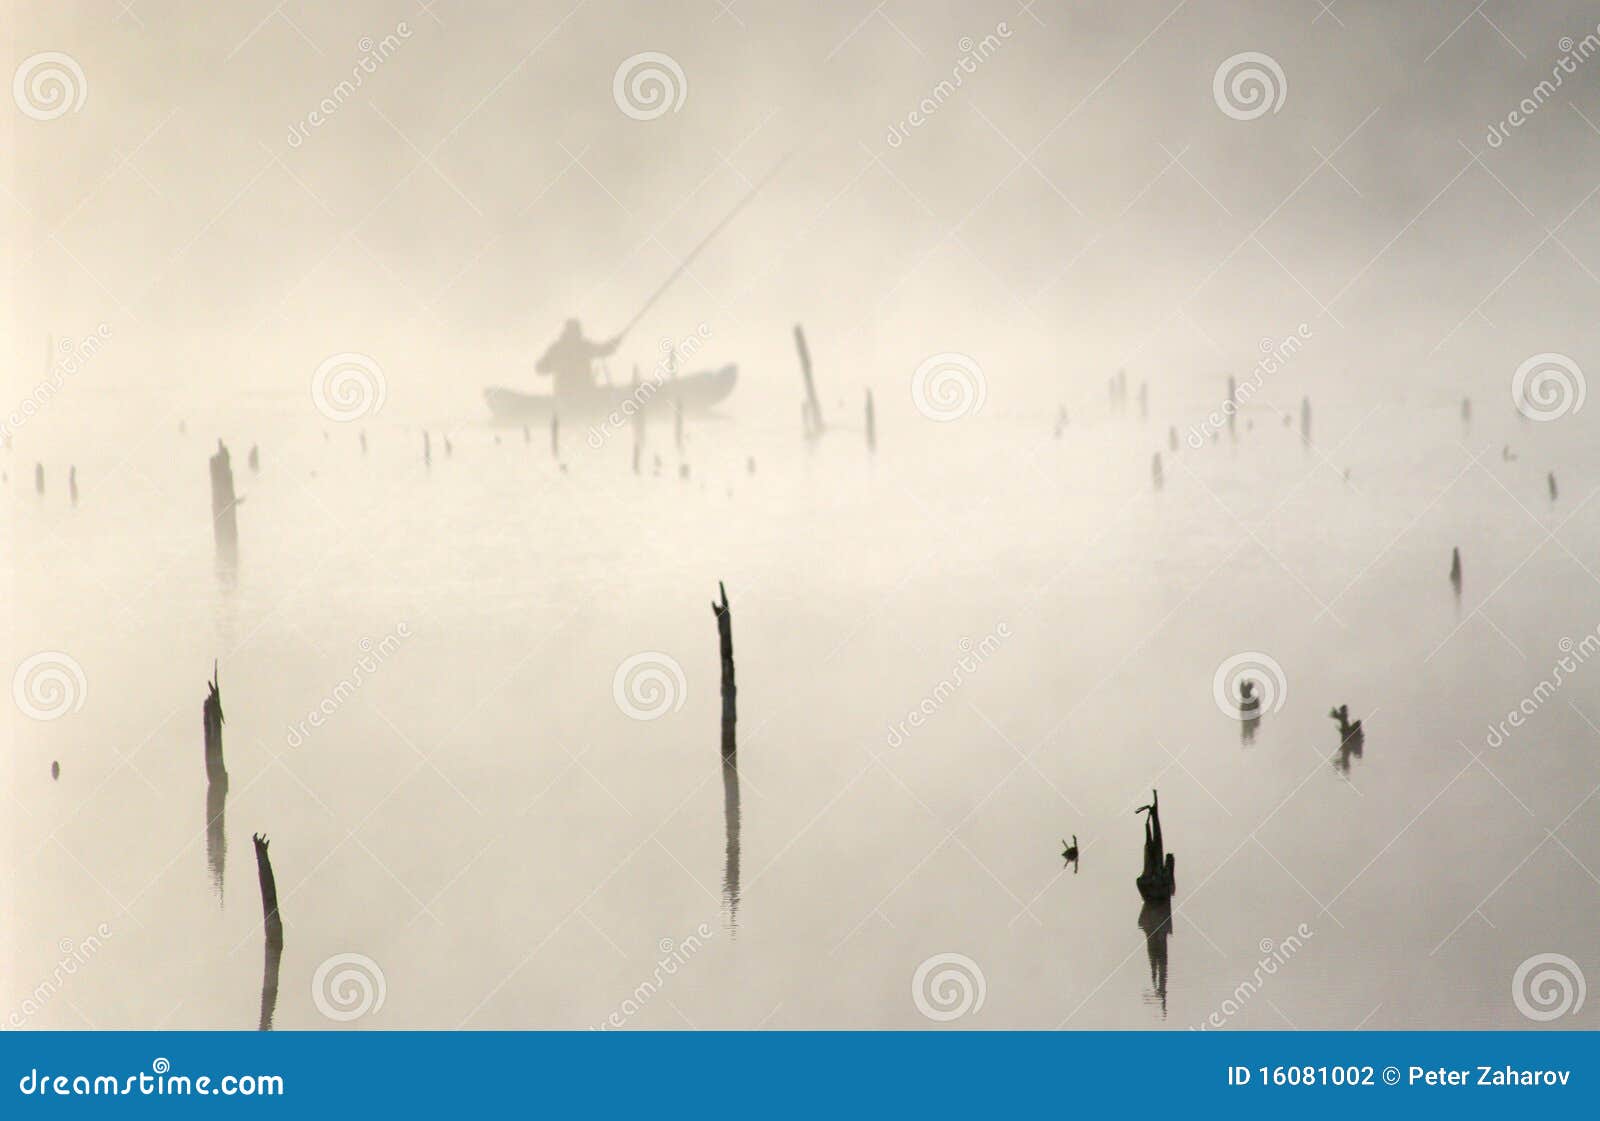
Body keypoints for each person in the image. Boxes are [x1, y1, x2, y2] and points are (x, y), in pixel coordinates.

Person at [536, 319, 621, 397]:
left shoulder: (557, 348)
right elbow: (604, 350)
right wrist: (615, 342)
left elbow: (541, 368)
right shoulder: (583, 346)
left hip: (564, 394)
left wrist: (555, 365)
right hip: (583, 393)